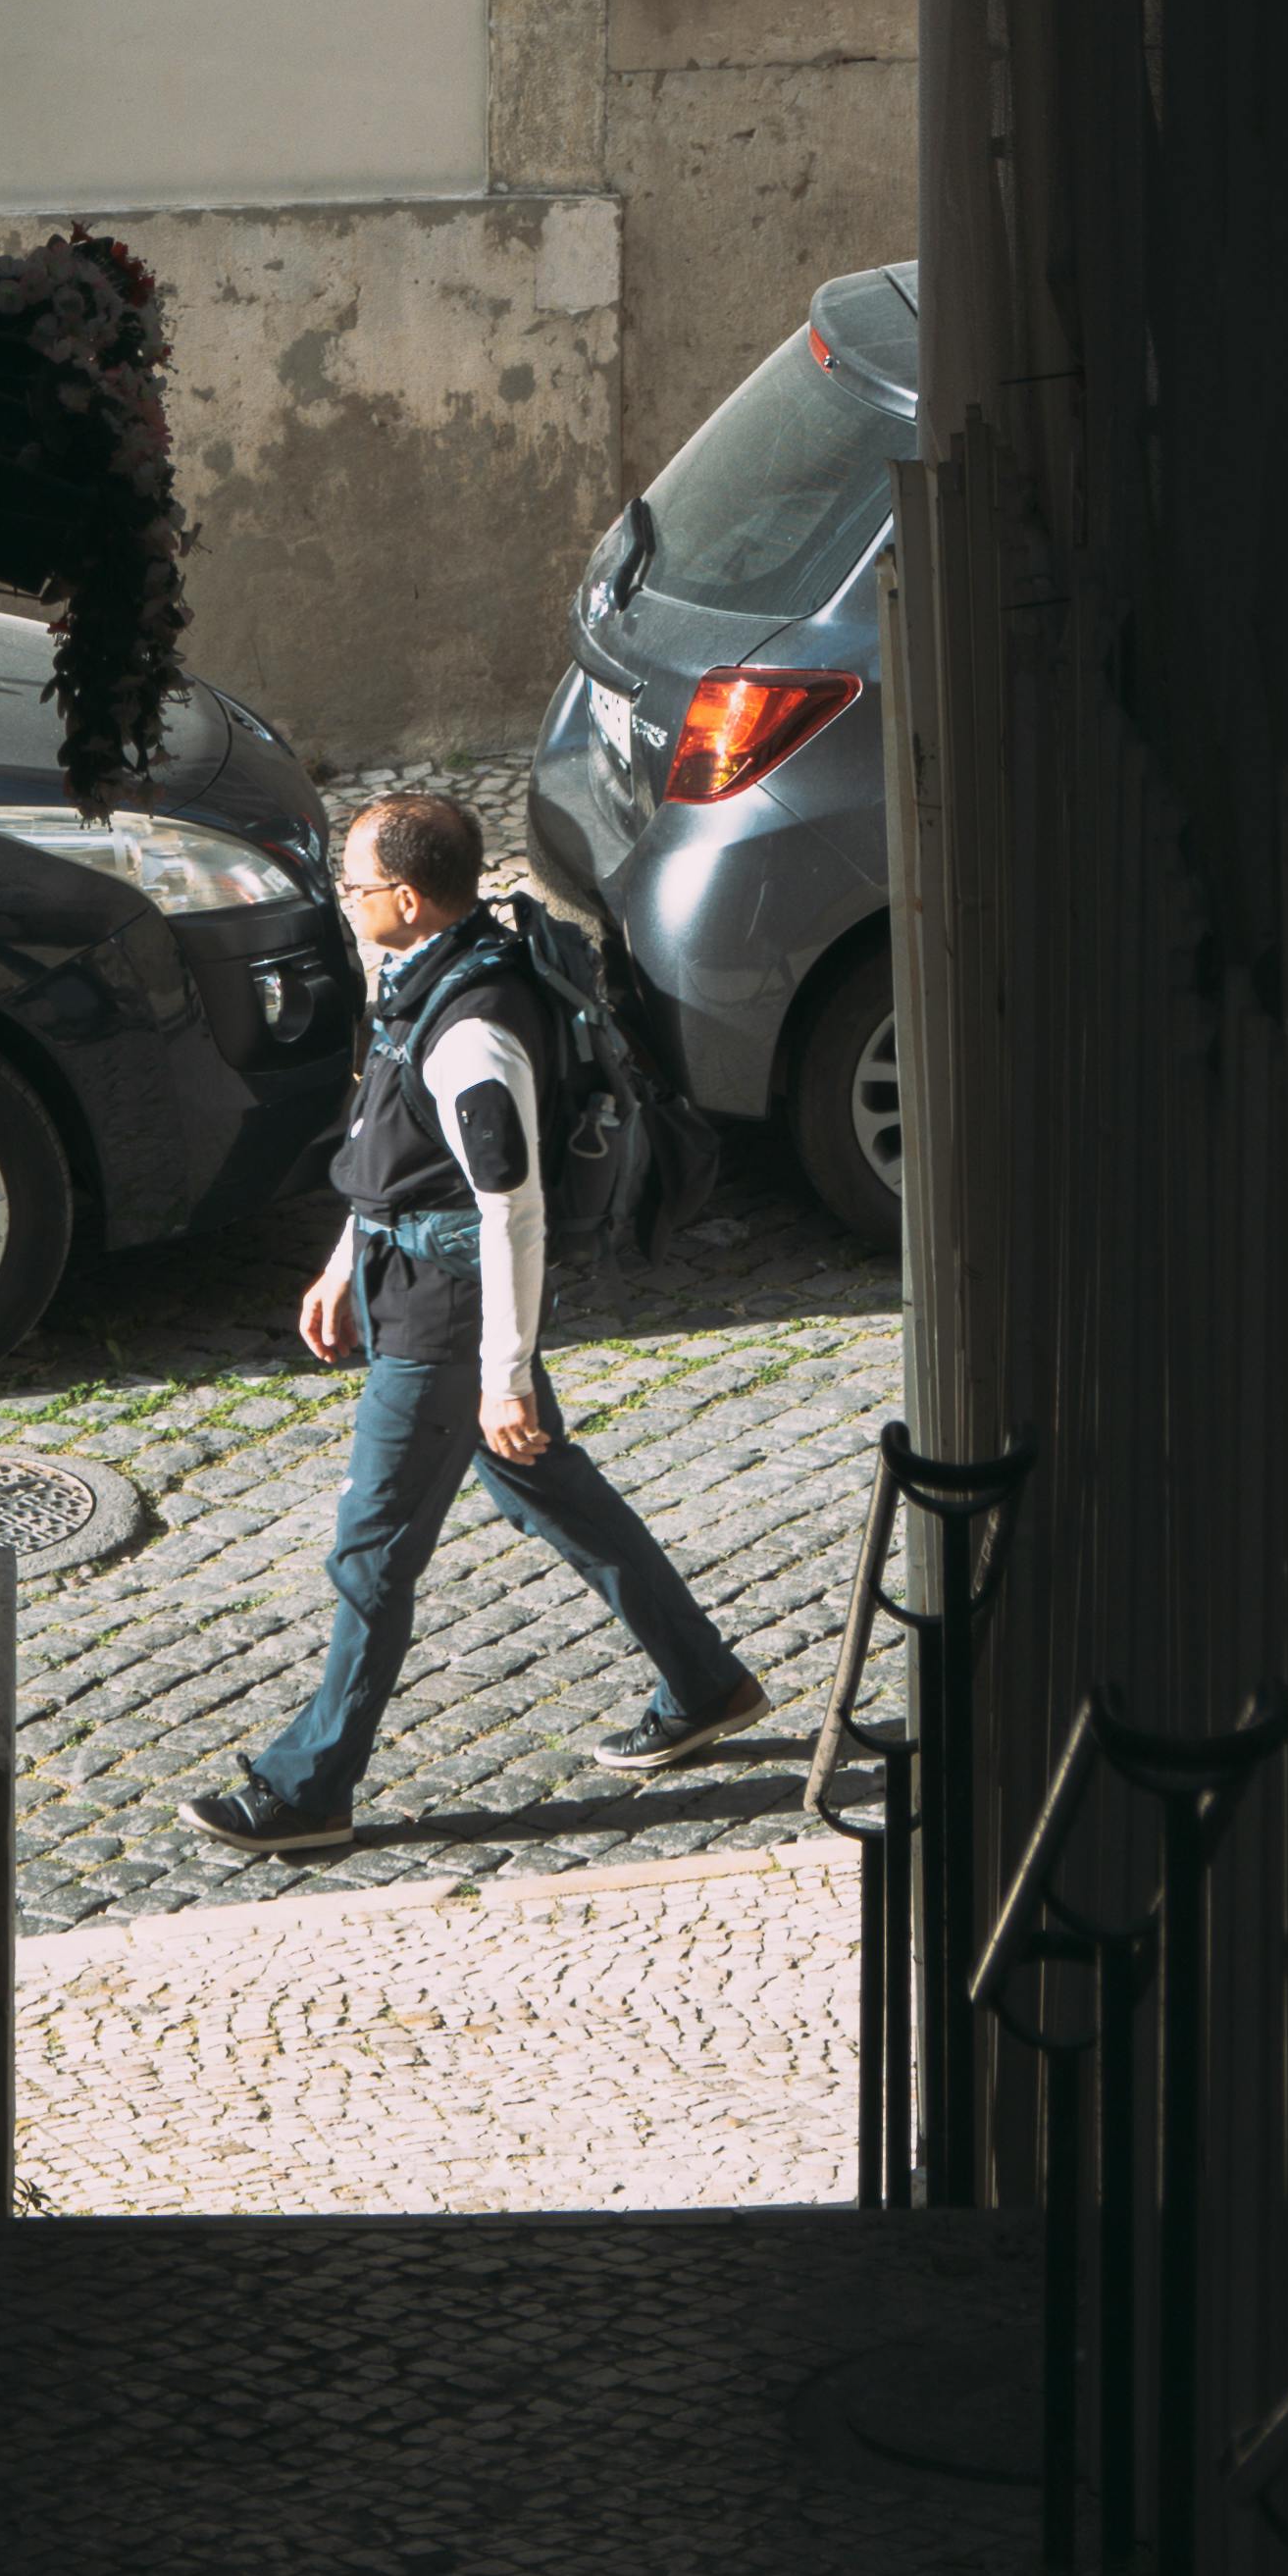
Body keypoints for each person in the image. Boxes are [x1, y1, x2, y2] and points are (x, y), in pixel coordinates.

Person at [180, 790, 769, 1858]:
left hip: (446, 1318)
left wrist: (501, 1374)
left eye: (354, 884)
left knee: (371, 1550)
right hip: (414, 1285)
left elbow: (511, 1208)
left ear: (405, 899)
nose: (345, 898)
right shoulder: (430, 971)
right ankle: (707, 1679)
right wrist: (339, 1260)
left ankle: (310, 1786)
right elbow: (398, 1155)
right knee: (553, 1488)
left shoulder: (472, 1033)